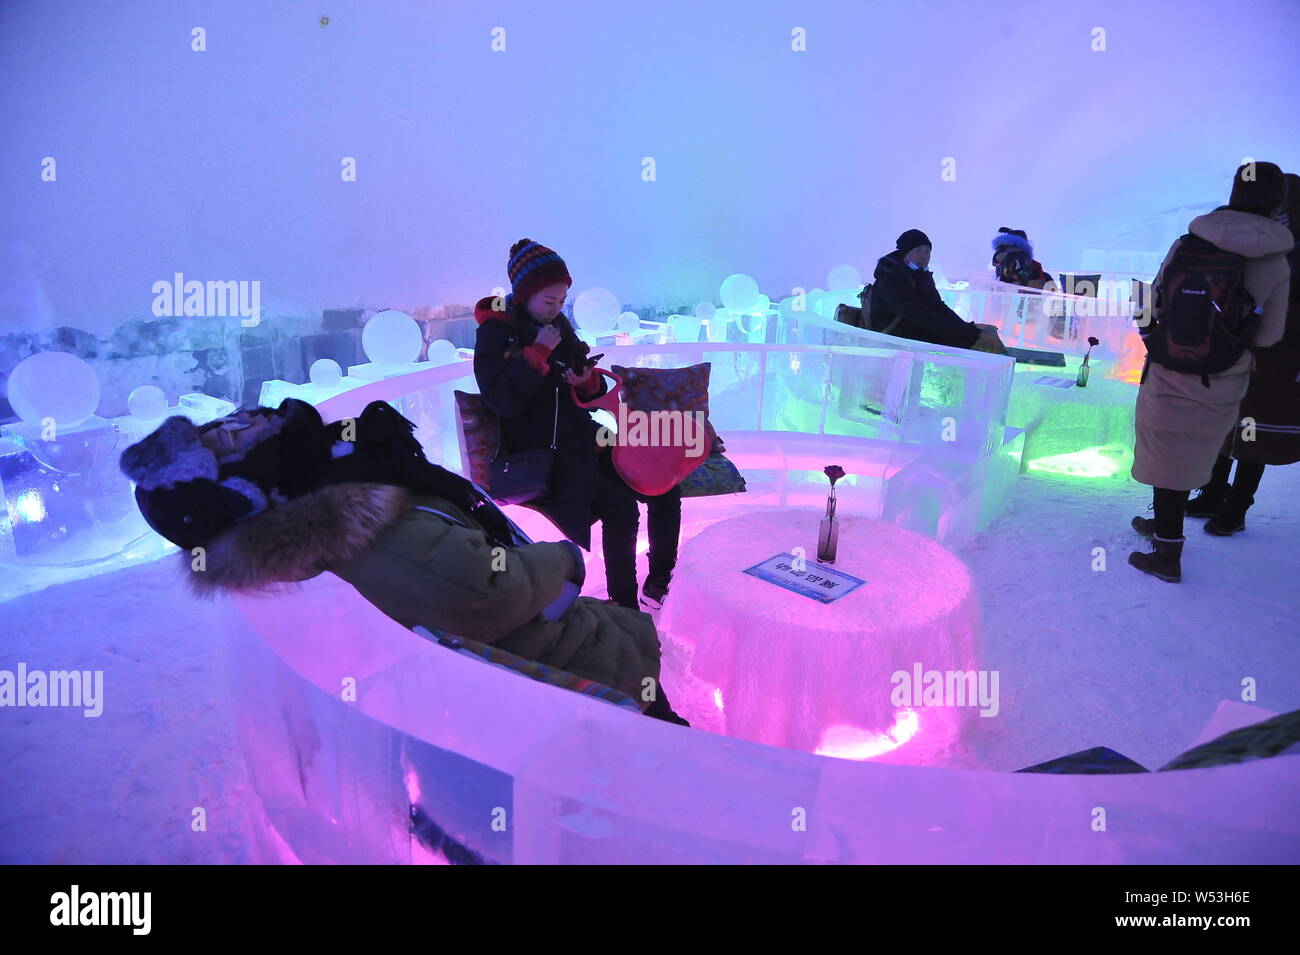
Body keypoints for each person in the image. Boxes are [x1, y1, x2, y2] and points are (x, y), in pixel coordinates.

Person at [118, 397, 690, 725]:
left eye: (217, 424)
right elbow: (488, 592)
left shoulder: (342, 472)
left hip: (563, 663)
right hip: (587, 678)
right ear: (245, 489)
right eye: (222, 439)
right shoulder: (354, 520)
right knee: (697, 807)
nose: (241, 419)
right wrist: (564, 559)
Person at [474, 238, 680, 610]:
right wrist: (537, 353)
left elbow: (591, 386)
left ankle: (660, 579)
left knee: (663, 485)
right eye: (548, 302)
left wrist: (584, 381)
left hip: (583, 442)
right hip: (541, 457)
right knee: (621, 507)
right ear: (523, 295)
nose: (556, 310)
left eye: (561, 301)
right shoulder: (497, 332)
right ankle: (624, 607)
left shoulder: (559, 327)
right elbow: (500, 400)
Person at [1129, 162, 1293, 581]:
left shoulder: (1189, 242)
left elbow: (1151, 300)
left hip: (1167, 366)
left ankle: (1167, 551)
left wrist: (1157, 342)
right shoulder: (1275, 262)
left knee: (1164, 449)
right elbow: (1270, 335)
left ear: (1235, 191)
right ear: (1277, 201)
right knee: (1196, 450)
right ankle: (1166, 531)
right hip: (1223, 375)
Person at [1185, 172, 1300, 535]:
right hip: (1243, 343)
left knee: (1256, 431)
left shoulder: (1285, 245)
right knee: (1227, 421)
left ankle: (1236, 507)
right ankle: (1214, 492)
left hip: (1281, 351)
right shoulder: (1258, 236)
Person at [871, 229, 1007, 353]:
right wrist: (966, 333)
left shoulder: (919, 274)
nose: (924, 256)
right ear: (905, 252)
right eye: (918, 250)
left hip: (914, 328)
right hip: (895, 336)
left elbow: (938, 306)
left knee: (988, 331)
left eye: (927, 251)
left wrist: (966, 328)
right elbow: (919, 314)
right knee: (976, 341)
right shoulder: (892, 278)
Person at [991, 227, 1056, 290]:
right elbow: (1021, 272)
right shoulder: (1017, 253)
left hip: (1004, 284)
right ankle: (1055, 294)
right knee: (1046, 277)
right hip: (1018, 287)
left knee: (1044, 275)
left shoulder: (1001, 251)